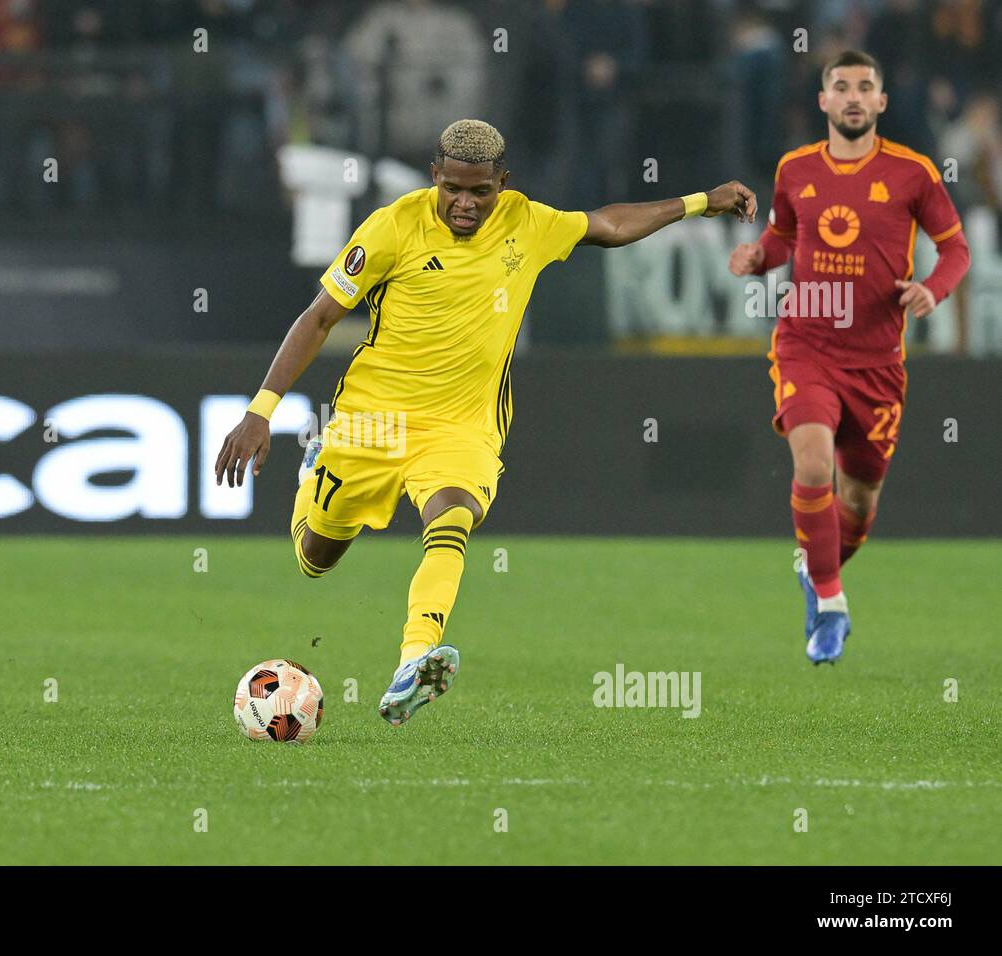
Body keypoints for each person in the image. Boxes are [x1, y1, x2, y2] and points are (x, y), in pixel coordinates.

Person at [216, 118, 755, 724]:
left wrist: (698, 202)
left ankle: (412, 661)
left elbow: (607, 225)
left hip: (462, 426)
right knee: (315, 558)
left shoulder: (527, 222)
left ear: (503, 182)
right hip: (372, 422)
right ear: (434, 178)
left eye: (480, 192)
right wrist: (261, 410)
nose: (466, 204)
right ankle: (314, 471)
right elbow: (318, 318)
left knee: (452, 516)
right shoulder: (393, 227)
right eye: (453, 190)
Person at [729, 51, 970, 664]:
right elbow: (785, 235)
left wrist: (931, 290)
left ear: (882, 102)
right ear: (824, 101)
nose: (855, 96)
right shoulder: (795, 168)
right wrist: (760, 256)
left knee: (857, 504)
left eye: (867, 86)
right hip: (806, 343)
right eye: (842, 86)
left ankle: (818, 570)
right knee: (812, 465)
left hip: (878, 363)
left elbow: (956, 250)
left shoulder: (913, 174)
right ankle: (832, 606)